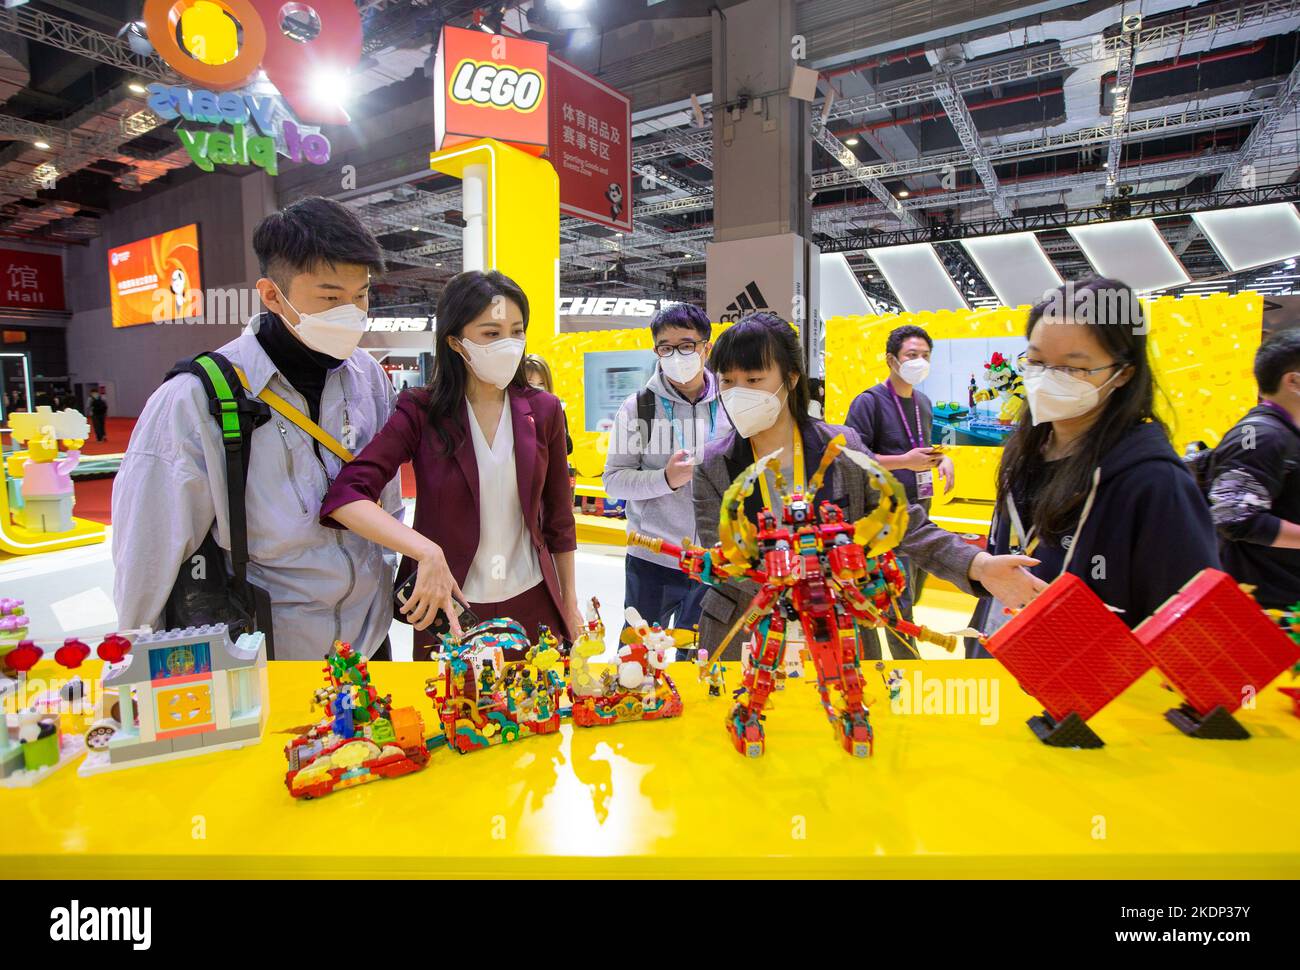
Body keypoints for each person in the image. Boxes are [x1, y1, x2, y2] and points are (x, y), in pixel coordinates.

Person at [112, 196, 403, 660]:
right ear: (271, 295)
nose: (351, 313)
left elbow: (387, 501)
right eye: (330, 298)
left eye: (361, 295)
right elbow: (150, 546)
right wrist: (134, 658)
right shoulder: (194, 398)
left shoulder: (368, 378)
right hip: (265, 651)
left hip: (368, 642)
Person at [692, 311, 1043, 660]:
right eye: (727, 381)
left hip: (840, 634)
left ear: (792, 378)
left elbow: (903, 523)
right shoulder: (712, 464)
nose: (738, 394)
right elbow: (725, 558)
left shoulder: (842, 448)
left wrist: (978, 564)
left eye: (753, 380)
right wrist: (800, 576)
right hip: (745, 636)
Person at [321, 270, 579, 659]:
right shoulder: (421, 411)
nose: (508, 345)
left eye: (517, 331)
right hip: (450, 608)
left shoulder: (543, 411)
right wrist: (425, 550)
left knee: (534, 714)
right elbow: (345, 497)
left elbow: (560, 520)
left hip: (534, 603)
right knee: (453, 716)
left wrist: (569, 602)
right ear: (456, 342)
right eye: (491, 334)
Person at [968, 278, 1220, 654]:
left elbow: (1188, 626)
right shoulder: (1022, 452)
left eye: (1073, 369)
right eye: (1036, 362)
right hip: (1000, 657)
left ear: (1123, 373)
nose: (1047, 378)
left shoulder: (1154, 481)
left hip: (1091, 688)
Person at [604, 303, 731, 633]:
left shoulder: (733, 402)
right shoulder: (639, 406)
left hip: (713, 561)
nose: (677, 355)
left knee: (700, 663)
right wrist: (666, 479)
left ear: (707, 346)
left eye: (687, 345)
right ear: (656, 350)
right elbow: (614, 481)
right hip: (653, 560)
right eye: (666, 348)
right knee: (639, 663)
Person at [845, 324, 955, 656]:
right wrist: (904, 461)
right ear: (891, 359)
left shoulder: (922, 402)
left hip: (920, 514)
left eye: (925, 356)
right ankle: (905, 669)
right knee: (898, 602)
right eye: (911, 355)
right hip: (883, 522)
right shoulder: (868, 403)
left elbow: (918, 449)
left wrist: (940, 459)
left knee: (912, 595)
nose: (919, 361)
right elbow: (853, 458)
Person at [1206, 328, 1300, 610]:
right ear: (1294, 380)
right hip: (1264, 609)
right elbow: (1234, 516)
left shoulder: (1282, 433)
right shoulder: (1261, 436)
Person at [524, 353, 572, 455]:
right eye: (530, 383)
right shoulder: (516, 410)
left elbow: (568, 449)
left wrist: (557, 420)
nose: (536, 388)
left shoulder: (555, 408)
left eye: (541, 383)